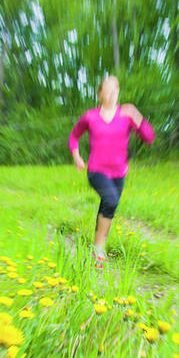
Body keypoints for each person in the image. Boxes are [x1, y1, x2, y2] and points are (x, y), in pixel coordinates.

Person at [68, 75, 155, 268]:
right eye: (106, 91)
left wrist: (136, 115)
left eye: (114, 90)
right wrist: (77, 157)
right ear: (99, 94)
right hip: (96, 171)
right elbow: (73, 137)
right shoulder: (90, 116)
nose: (110, 94)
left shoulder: (126, 115)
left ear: (118, 92)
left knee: (108, 205)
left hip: (119, 173)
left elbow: (149, 137)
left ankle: (97, 246)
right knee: (111, 200)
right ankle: (99, 248)